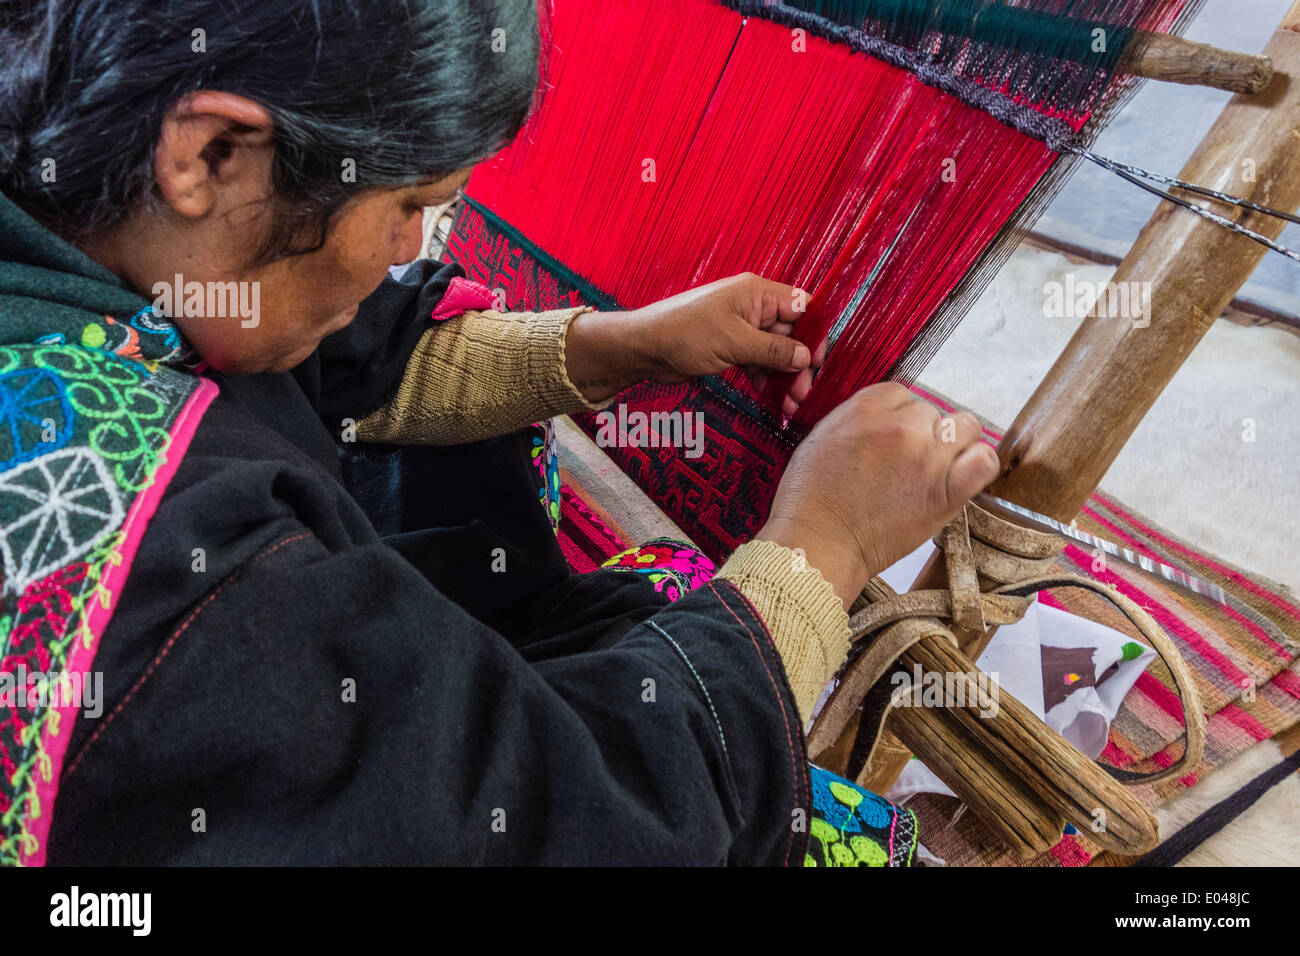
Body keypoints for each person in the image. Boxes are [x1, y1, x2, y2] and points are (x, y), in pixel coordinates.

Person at [0, 0, 998, 866]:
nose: (407, 251)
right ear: (209, 153)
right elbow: (561, 827)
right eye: (409, 205)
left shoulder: (80, 227)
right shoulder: (141, 560)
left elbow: (346, 367)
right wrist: (825, 544)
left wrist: (630, 344)